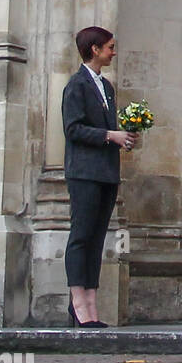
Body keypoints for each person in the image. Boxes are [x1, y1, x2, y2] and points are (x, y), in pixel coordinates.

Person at [62, 26, 136, 327]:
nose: (113, 52)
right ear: (94, 49)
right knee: (81, 236)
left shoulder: (106, 87)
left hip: (106, 172)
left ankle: (91, 305)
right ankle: (78, 303)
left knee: (95, 239)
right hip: (84, 172)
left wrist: (124, 136)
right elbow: (73, 129)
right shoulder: (76, 85)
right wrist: (110, 135)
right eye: (109, 47)